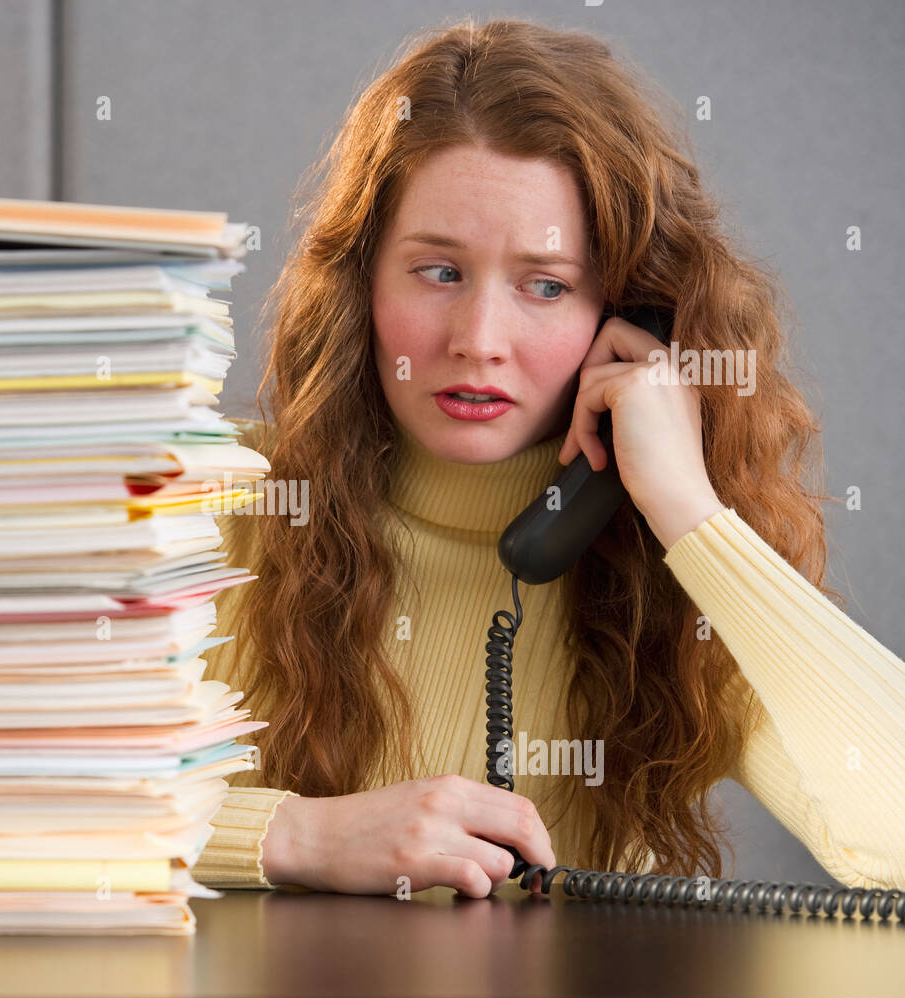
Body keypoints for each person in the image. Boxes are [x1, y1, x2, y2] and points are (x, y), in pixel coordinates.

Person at [191, 18, 905, 899]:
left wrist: (688, 508)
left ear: (630, 312)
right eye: (438, 272)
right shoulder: (200, 511)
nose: (479, 341)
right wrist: (293, 832)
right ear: (362, 281)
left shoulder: (679, 578)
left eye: (547, 285)